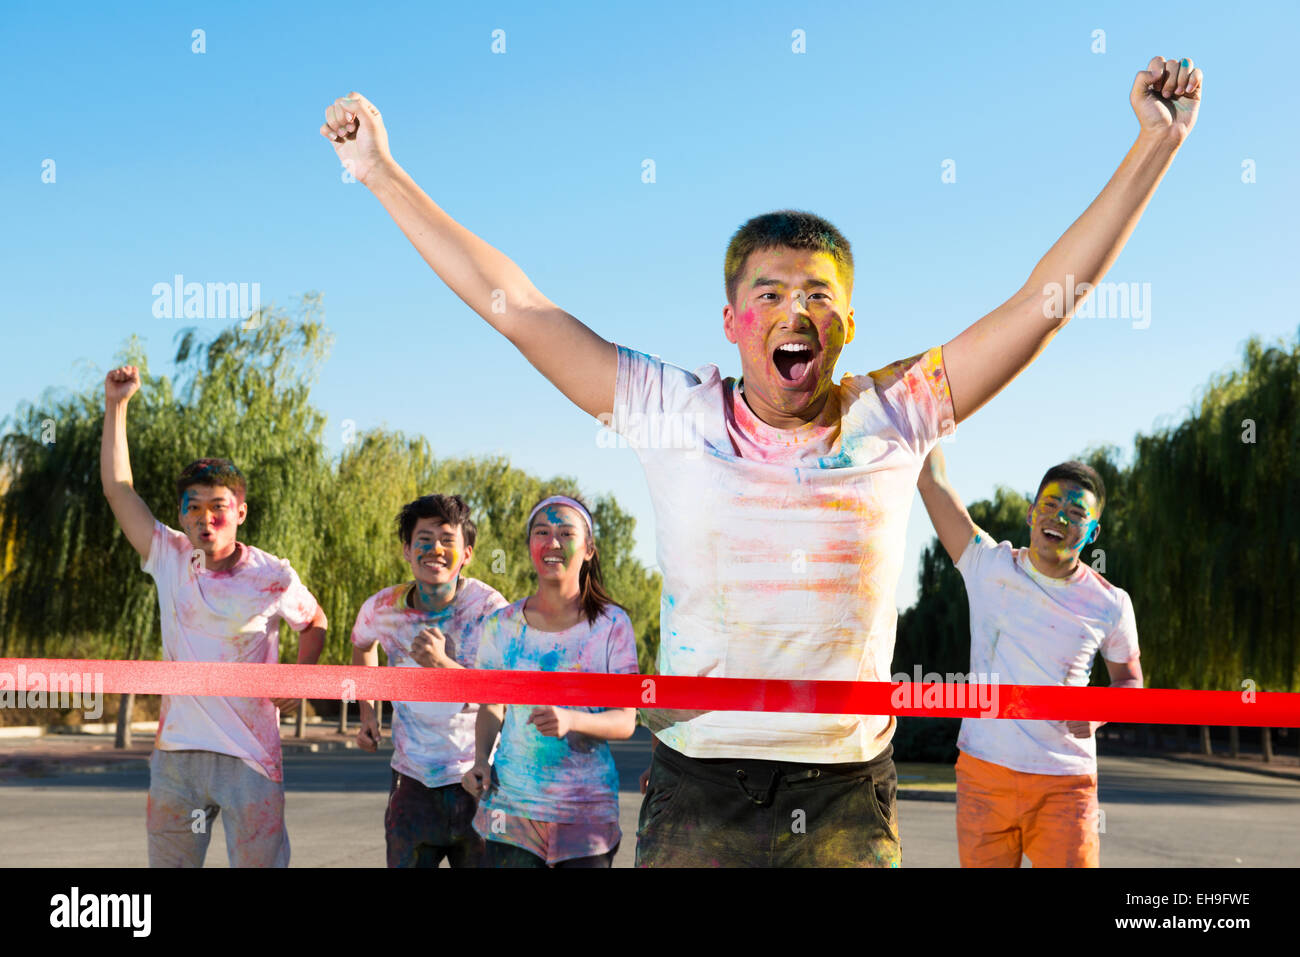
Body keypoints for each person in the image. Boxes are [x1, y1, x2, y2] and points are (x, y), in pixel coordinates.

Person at [319, 54, 1200, 866]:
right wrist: (381, 173)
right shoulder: (673, 413)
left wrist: (1153, 147)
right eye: (769, 293)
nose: (795, 311)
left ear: (847, 326)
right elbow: (517, 307)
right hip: (698, 779)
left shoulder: (892, 414)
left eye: (820, 295)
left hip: (847, 788)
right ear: (734, 321)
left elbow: (1041, 305)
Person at [100, 365, 327, 867]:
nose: (206, 517)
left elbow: (315, 622)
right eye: (194, 506)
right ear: (181, 514)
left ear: (240, 512)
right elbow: (119, 490)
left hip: (251, 758)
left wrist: (302, 676)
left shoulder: (274, 575)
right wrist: (117, 406)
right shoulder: (169, 556)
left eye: (218, 506)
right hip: (177, 757)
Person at [915, 444, 1142, 867]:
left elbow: (1130, 681)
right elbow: (932, 481)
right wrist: (920, 405)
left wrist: (1096, 712)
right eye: (1050, 504)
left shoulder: (1112, 603)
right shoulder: (987, 565)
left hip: (1065, 783)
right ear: (1030, 513)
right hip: (984, 773)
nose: (1059, 517)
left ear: (1092, 532)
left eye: (1076, 513)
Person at [462, 496, 638, 868]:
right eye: (542, 532)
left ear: (588, 548)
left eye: (565, 533)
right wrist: (480, 759)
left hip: (586, 814)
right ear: (530, 546)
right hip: (512, 810)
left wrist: (572, 720)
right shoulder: (501, 624)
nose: (552, 542)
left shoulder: (611, 626)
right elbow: (491, 704)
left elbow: (626, 720)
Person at [351, 493, 508, 867]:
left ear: (467, 553)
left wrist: (441, 665)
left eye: (447, 540)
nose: (434, 549)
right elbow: (362, 646)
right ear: (406, 550)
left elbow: (499, 693)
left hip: (479, 777)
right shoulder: (382, 608)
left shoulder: (489, 610)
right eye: (423, 539)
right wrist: (368, 711)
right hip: (412, 781)